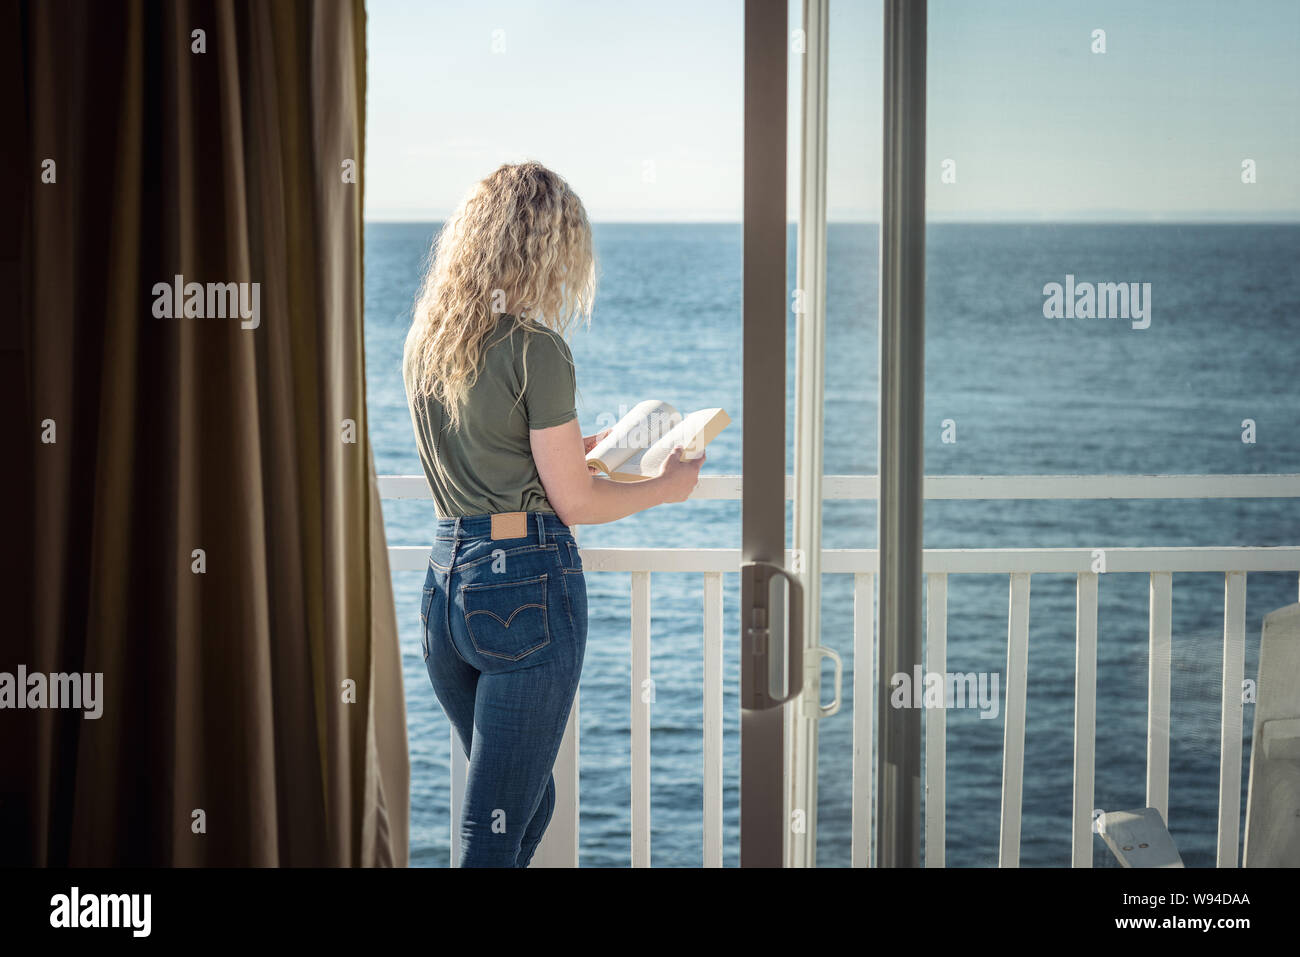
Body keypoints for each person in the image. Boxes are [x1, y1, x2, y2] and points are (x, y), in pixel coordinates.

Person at [402, 161, 705, 867]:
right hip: (524, 594)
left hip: (446, 591)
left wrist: (587, 444)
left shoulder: (430, 344)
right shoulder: (536, 350)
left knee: (529, 801)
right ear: (544, 247)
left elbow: (503, 453)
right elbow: (575, 501)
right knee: (494, 831)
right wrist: (666, 484)